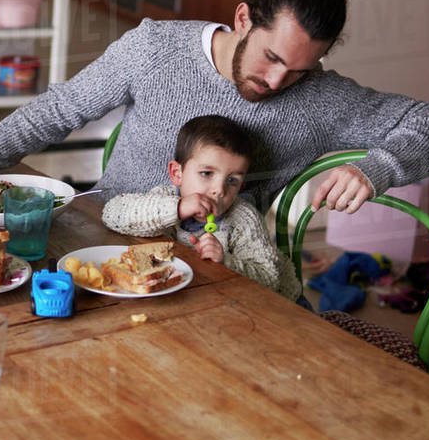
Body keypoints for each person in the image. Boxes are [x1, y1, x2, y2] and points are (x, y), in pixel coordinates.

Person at [0, 0, 429, 217]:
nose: (277, 83)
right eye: (271, 59)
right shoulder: (155, 47)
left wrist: (377, 168)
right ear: (242, 19)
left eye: (300, 70)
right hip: (105, 233)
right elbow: (59, 110)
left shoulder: (322, 97)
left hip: (215, 271)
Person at [101, 114, 303, 301]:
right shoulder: (165, 199)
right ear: (177, 173)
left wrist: (226, 261)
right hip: (189, 296)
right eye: (207, 173)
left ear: (241, 186)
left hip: (270, 305)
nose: (219, 190)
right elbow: (112, 214)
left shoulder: (243, 219)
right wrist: (177, 208)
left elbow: (270, 279)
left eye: (232, 180)